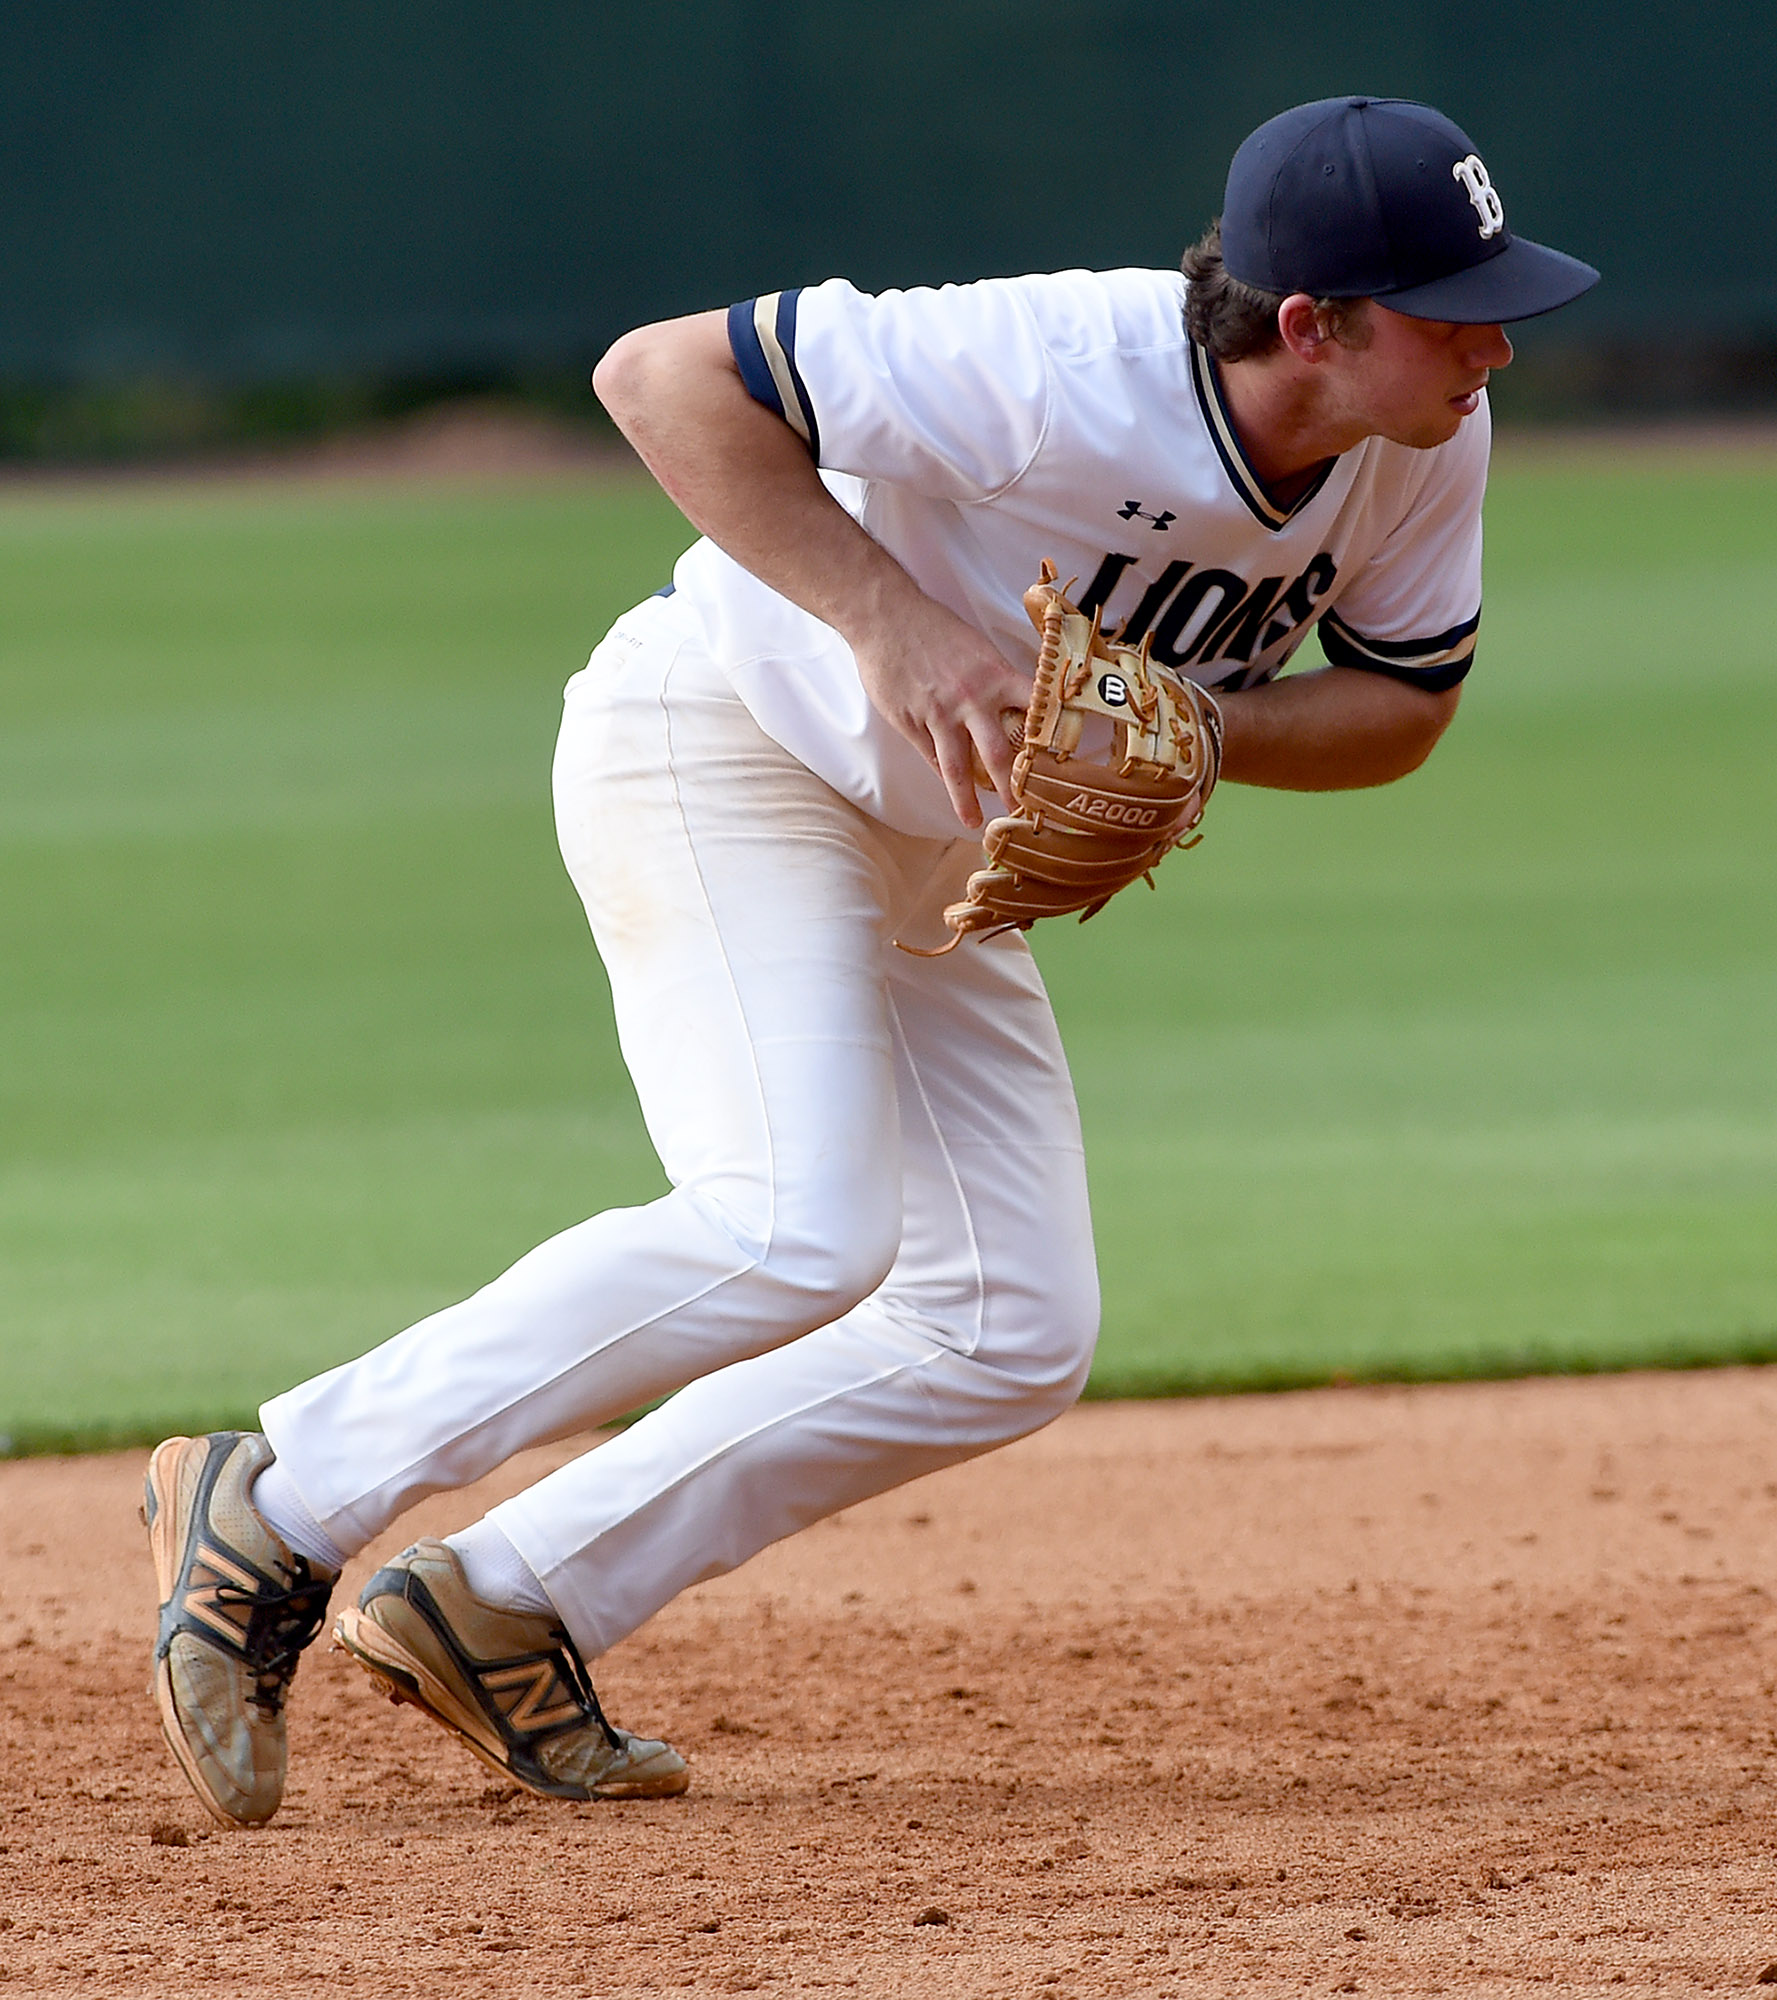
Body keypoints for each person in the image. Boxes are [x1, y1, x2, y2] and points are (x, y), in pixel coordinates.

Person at [144, 96, 1597, 1828]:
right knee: (790, 1224)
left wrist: (1199, 727)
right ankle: (281, 1497)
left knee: (1008, 1327)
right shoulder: (1055, 365)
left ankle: (509, 1597)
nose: (1496, 342)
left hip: (937, 850)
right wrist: (892, 628)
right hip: (728, 743)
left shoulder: (1424, 442)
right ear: (1313, 324)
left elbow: (1401, 710)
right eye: (1453, 310)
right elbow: (657, 376)